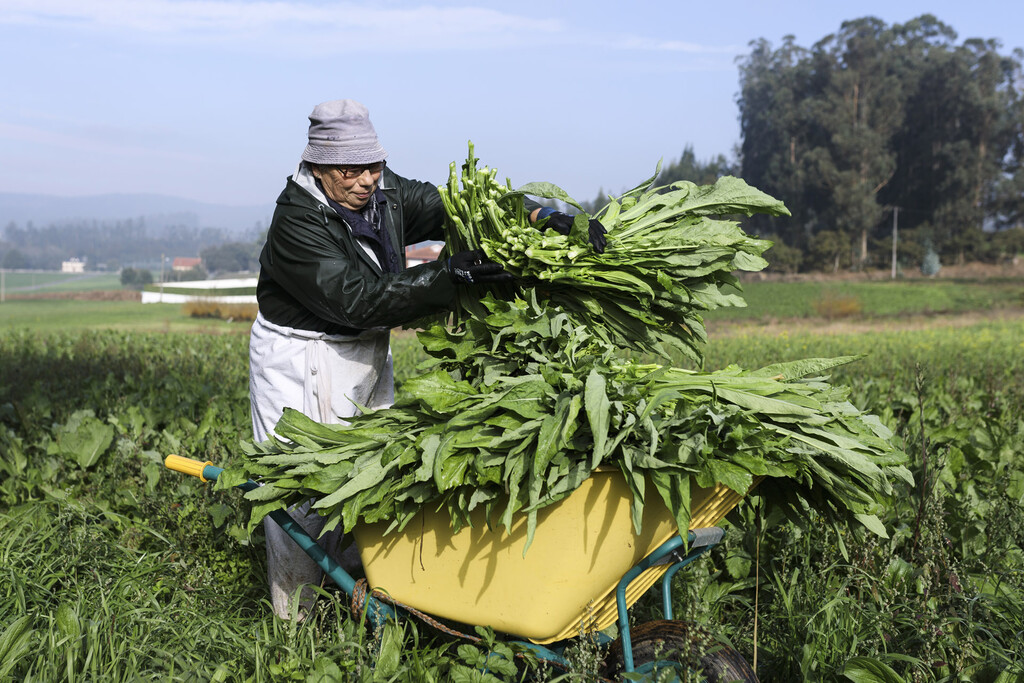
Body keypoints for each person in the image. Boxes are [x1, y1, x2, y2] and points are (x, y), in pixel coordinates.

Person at [248, 98, 605, 619]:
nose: (367, 179)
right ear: (319, 166)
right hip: (305, 355)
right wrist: (447, 277)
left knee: (368, 477)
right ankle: (296, 624)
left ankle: (357, 605)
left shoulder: (386, 192)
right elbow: (356, 300)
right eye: (352, 169)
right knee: (302, 490)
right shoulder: (297, 222)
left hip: (364, 346)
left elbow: (460, 208)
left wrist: (541, 215)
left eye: (374, 164)